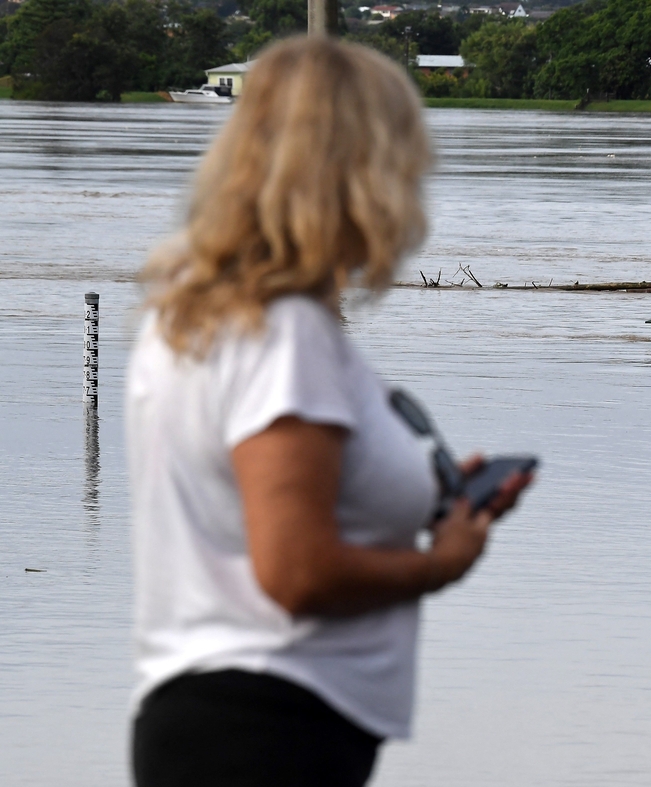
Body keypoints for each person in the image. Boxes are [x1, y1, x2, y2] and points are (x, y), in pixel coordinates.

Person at [125, 37, 531, 787]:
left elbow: (268, 511)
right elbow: (297, 570)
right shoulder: (285, 334)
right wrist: (438, 563)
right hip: (268, 732)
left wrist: (428, 493)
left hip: (214, 718)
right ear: (367, 172)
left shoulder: (191, 314)